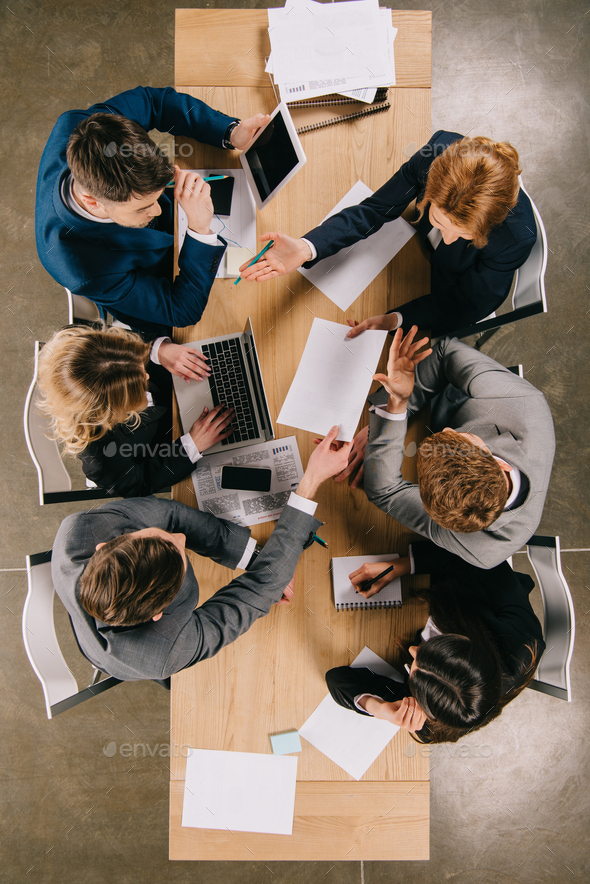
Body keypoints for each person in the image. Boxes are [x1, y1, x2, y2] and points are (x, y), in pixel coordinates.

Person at [51, 426, 352, 683]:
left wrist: (253, 557)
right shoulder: (166, 652)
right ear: (160, 614)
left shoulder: (80, 532)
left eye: (162, 537)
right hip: (129, 657)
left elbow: (169, 515)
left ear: (105, 547)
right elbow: (258, 592)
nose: (181, 537)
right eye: (179, 551)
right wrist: (311, 481)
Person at [238, 131, 536, 338]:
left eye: (462, 235)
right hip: (408, 256)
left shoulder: (513, 239)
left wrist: (396, 319)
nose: (446, 239)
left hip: (445, 289)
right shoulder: (435, 157)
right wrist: (307, 247)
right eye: (439, 222)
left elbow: (465, 305)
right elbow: (375, 210)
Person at [35, 86, 269, 339]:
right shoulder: (83, 269)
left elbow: (154, 102)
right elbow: (182, 310)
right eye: (143, 207)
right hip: (158, 278)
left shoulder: (86, 129)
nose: (158, 209)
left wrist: (230, 132)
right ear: (92, 202)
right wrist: (200, 229)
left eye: (155, 198)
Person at [344, 326, 555, 570]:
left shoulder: (485, 551)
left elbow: (385, 491)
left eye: (460, 437)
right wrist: (398, 404)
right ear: (499, 462)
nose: (446, 432)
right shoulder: (525, 403)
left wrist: (394, 412)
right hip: (446, 393)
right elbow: (446, 352)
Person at [326, 540, 545, 742]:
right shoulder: (521, 641)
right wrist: (403, 566)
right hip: (460, 574)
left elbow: (336, 679)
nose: (412, 649)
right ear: (461, 643)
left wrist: (380, 708)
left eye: (414, 665)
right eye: (430, 648)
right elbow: (480, 554)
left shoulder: (430, 715)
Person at [37, 324, 233, 498]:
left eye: (139, 363)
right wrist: (191, 446)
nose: (146, 375)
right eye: (139, 383)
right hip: (169, 437)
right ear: (113, 410)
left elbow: (124, 335)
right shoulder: (101, 459)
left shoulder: (80, 343)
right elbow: (139, 484)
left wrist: (157, 350)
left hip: (178, 380)